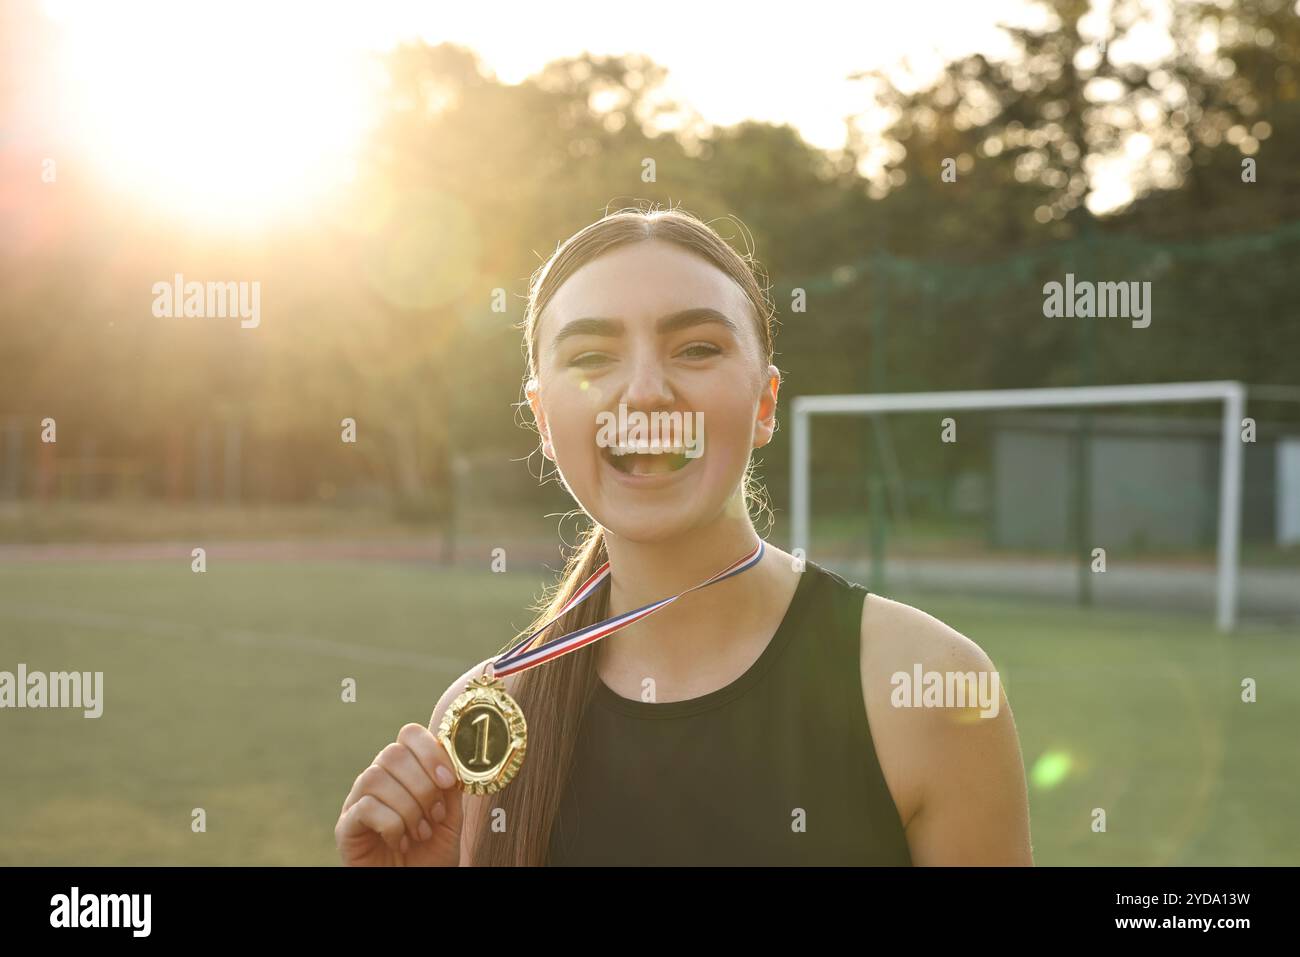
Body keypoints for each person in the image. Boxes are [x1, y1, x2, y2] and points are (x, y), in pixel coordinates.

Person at [335, 205, 1033, 866]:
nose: (644, 391)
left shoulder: (927, 689)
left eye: (696, 348)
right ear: (545, 421)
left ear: (764, 404)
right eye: (590, 357)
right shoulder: (485, 722)